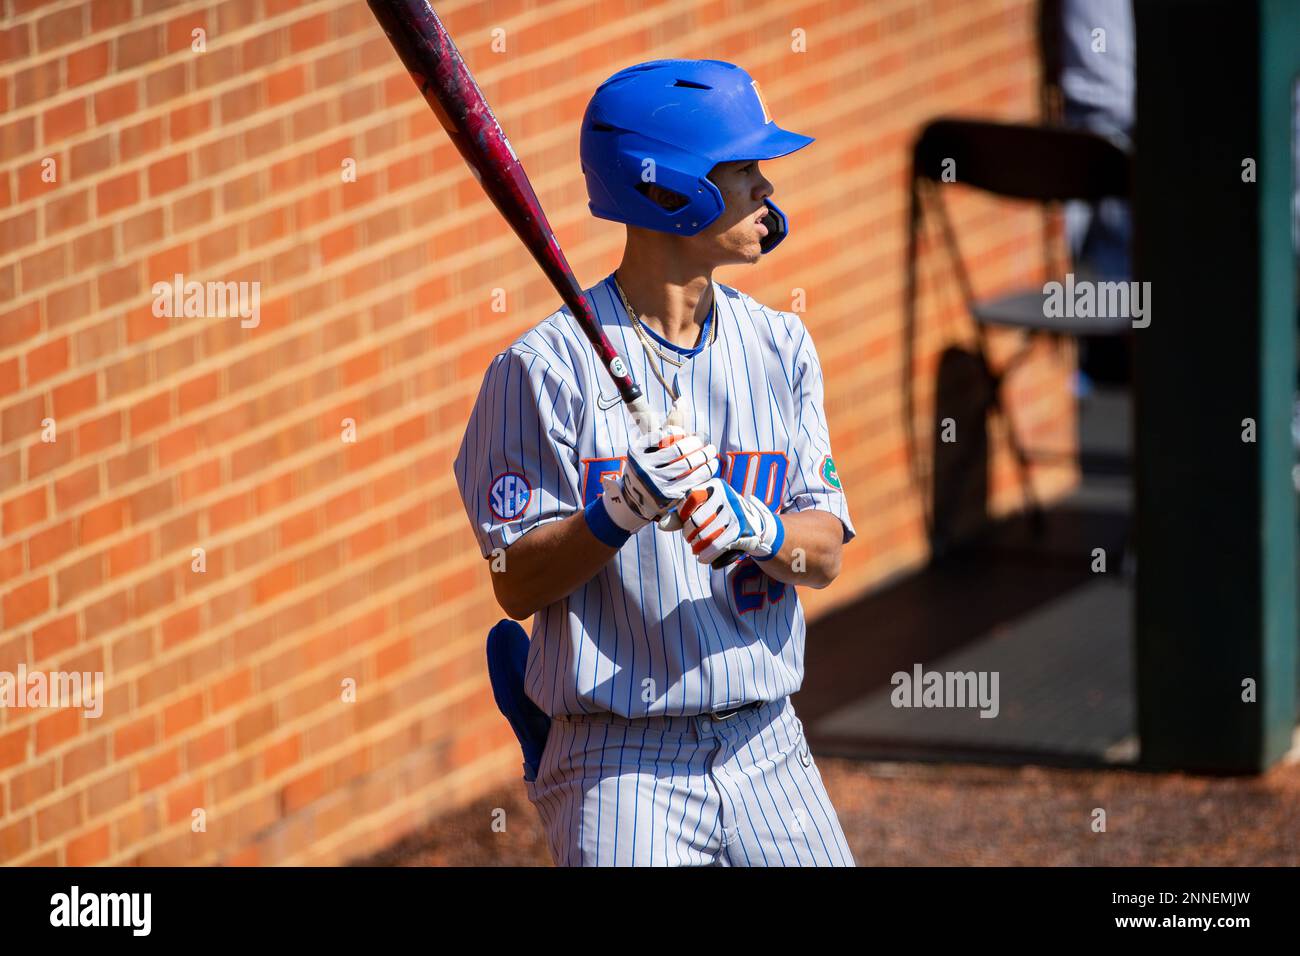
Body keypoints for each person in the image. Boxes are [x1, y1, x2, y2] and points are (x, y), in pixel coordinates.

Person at [454, 59, 856, 866]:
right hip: (621, 764)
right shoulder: (542, 371)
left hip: (769, 743)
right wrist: (622, 508)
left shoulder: (782, 346)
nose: (765, 190)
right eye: (741, 171)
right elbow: (515, 582)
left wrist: (757, 527)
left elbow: (827, 555)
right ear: (673, 190)